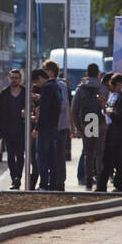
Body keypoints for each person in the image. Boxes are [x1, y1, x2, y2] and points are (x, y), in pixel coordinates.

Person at [71, 63, 109, 191]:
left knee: (88, 153)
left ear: (87, 73)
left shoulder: (81, 88)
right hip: (101, 122)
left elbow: (74, 109)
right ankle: (100, 181)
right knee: (100, 153)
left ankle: (88, 181)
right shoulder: (104, 87)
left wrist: (78, 126)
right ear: (98, 73)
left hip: (87, 121)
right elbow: (108, 105)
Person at [0, 68, 28, 190]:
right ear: (9, 79)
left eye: (16, 78)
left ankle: (18, 177)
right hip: (8, 131)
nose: (14, 80)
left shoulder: (26, 93)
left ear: (20, 79)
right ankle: (14, 179)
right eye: (12, 78)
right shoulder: (4, 94)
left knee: (20, 155)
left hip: (22, 130)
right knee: (11, 156)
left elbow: (34, 108)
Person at [30, 68, 61, 190]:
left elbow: (44, 111)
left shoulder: (47, 88)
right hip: (54, 126)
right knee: (52, 157)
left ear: (39, 78)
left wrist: (37, 128)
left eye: (36, 82)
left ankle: (43, 184)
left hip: (45, 128)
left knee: (41, 157)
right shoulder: (55, 86)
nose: (37, 85)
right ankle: (53, 183)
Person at [43, 60, 72, 190]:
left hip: (58, 126)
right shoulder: (60, 85)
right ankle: (56, 181)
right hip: (59, 125)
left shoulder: (58, 85)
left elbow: (63, 105)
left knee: (58, 155)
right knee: (54, 155)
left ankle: (59, 182)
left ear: (49, 71)